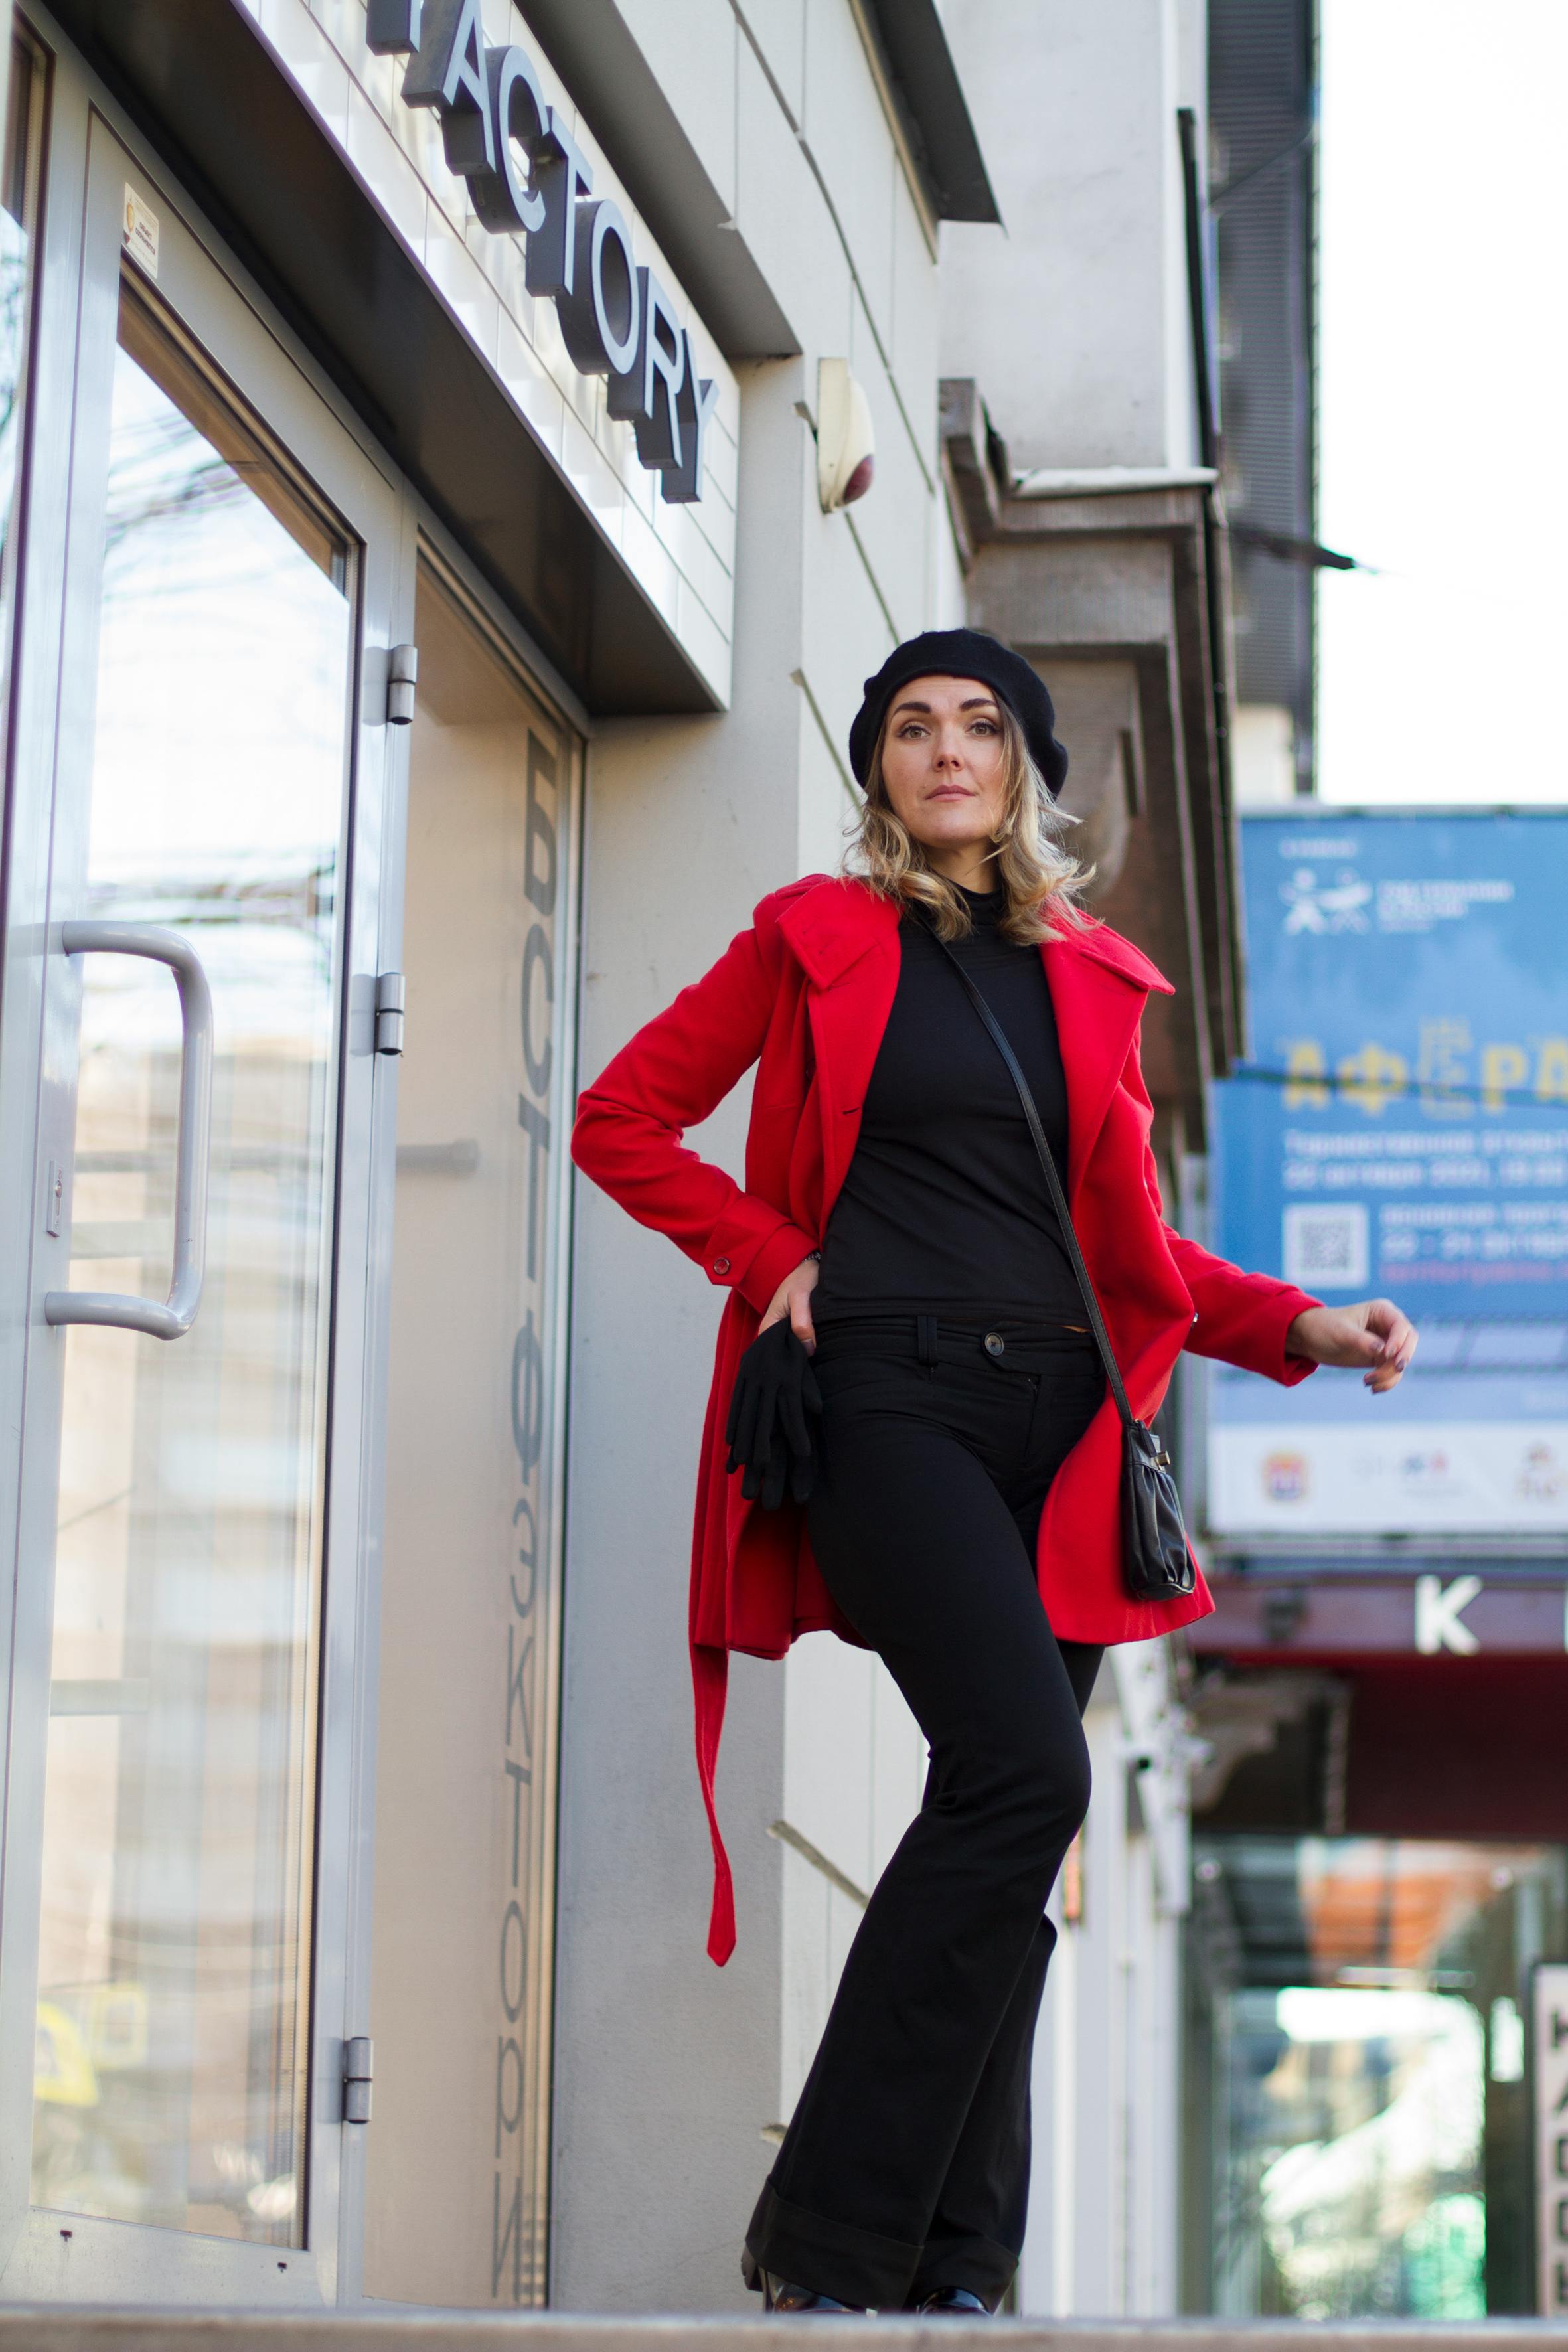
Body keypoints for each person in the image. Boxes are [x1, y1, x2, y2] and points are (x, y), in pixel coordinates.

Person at [570, 629, 1417, 2317]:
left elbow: (1130, 1243)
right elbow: (621, 1117)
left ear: (1022, 760)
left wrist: (1295, 1322)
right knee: (1023, 1768)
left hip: (1063, 1432)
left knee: (1002, 1825)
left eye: (977, 725)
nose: (944, 750)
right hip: (888, 1402)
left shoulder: (1088, 974)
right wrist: (764, 1256)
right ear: (877, 763)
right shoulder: (809, 940)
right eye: (909, 727)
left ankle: (957, 2256)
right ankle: (828, 2235)